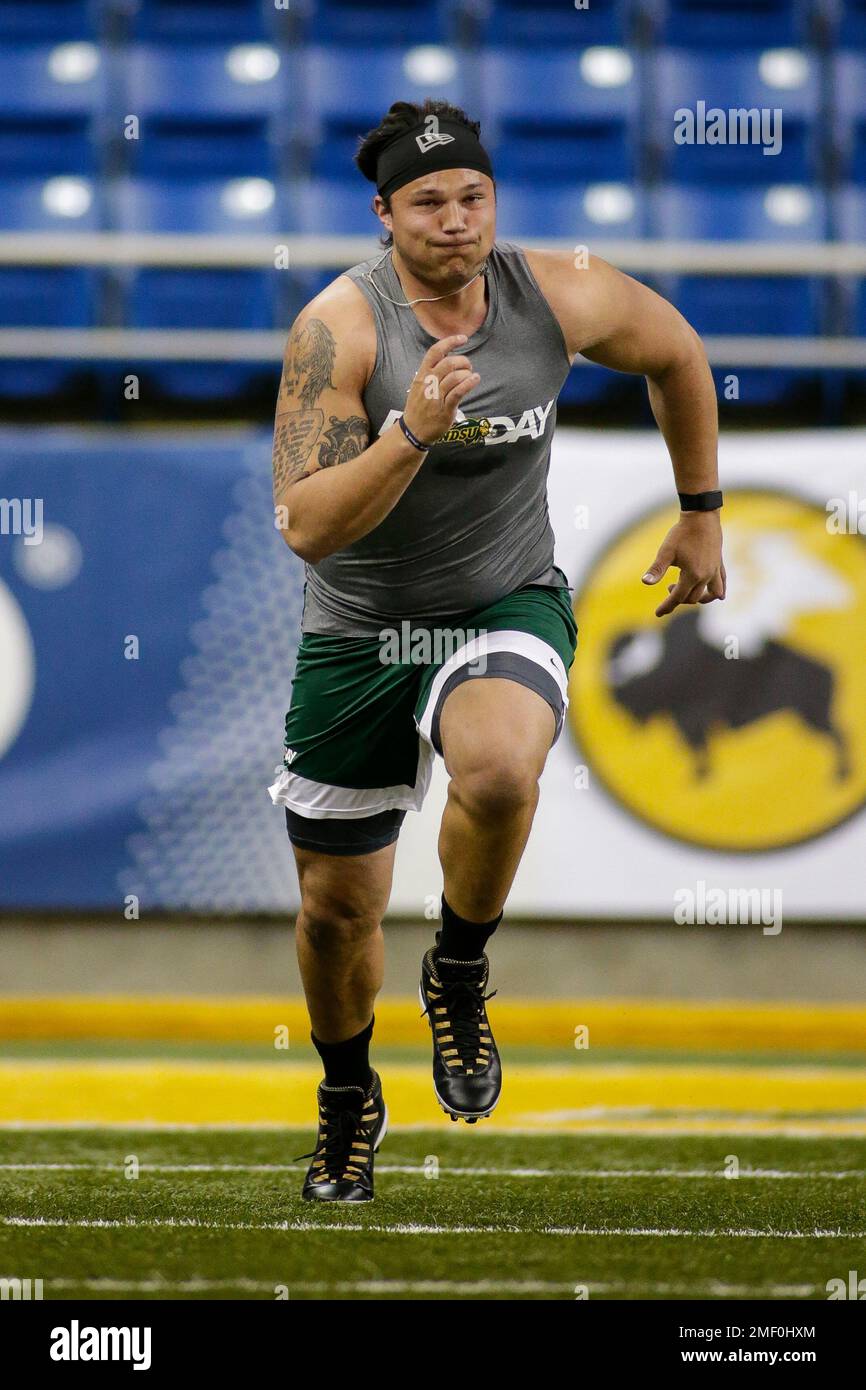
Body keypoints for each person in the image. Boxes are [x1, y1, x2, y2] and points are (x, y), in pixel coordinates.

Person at [269, 99, 725, 1201]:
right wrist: (411, 432)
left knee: (502, 768)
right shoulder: (341, 328)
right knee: (336, 913)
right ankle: (345, 1099)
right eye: (427, 202)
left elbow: (675, 352)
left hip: (501, 601)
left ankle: (459, 969)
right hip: (360, 632)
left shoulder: (556, 288)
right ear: (383, 215)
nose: (456, 220)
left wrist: (700, 508)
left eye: (472, 195)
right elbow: (305, 526)